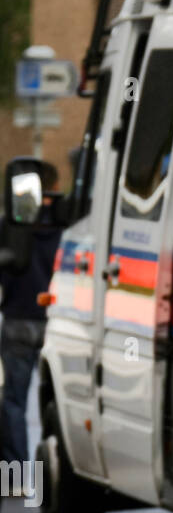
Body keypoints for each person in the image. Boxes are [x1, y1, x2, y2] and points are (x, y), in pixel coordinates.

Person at [0, 162, 63, 468]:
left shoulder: (9, 225)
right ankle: (60, 468)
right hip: (58, 322)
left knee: (14, 402)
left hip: (18, 320)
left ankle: (16, 472)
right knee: (61, 401)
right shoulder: (66, 225)